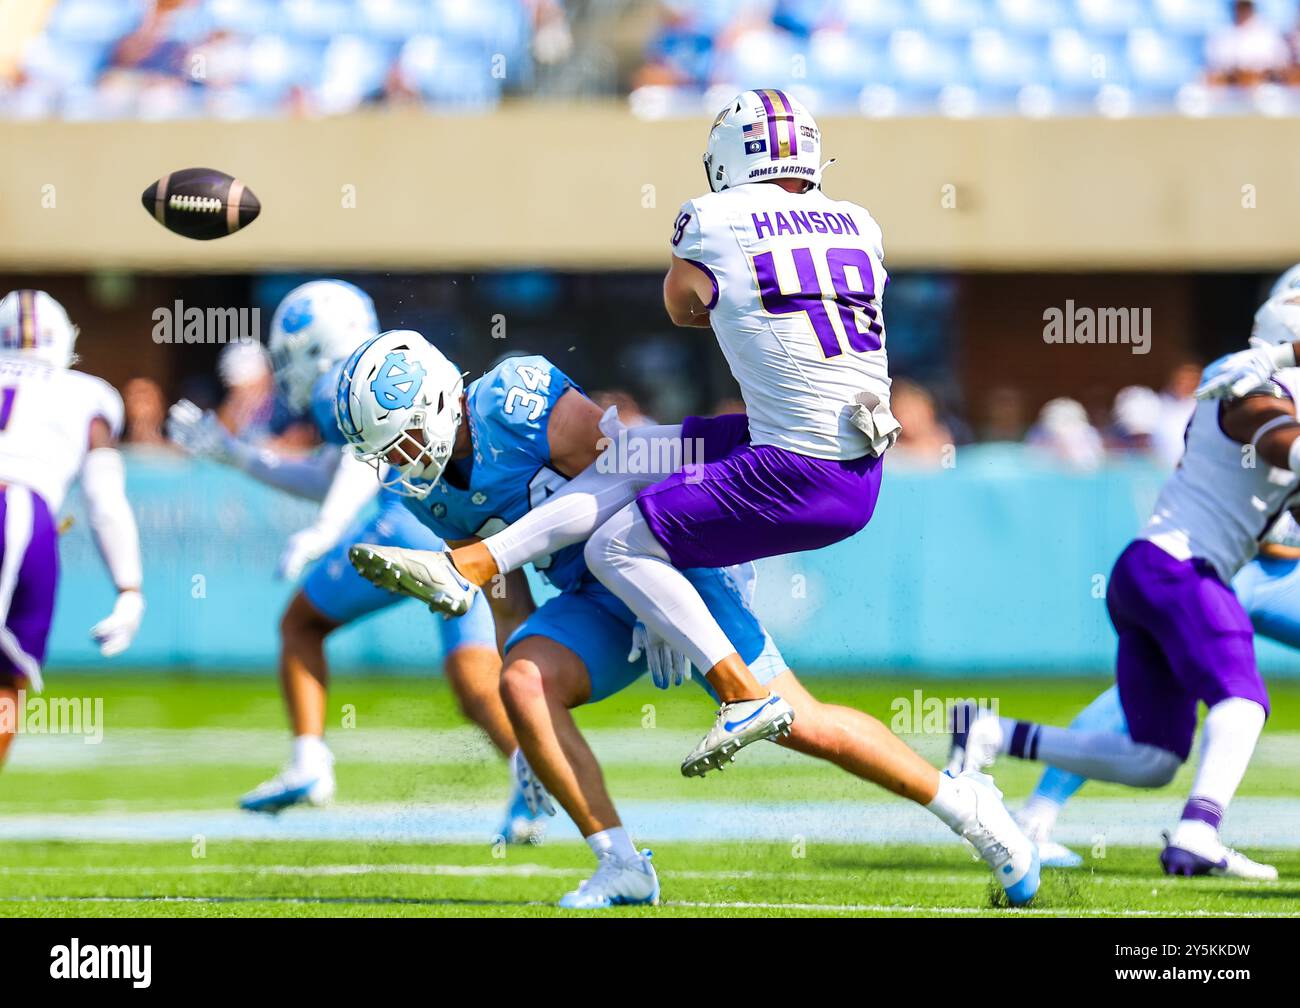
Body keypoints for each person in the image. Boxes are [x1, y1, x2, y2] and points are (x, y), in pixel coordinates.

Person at [337, 330, 1040, 908]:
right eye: (384, 451)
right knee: (521, 681)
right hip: (592, 597)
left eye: (399, 439)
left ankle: (965, 806)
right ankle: (621, 865)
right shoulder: (429, 494)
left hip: (668, 552)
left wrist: (662, 584)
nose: (397, 461)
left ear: (433, 400)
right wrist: (526, 732)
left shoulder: (512, 403)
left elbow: (636, 464)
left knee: (799, 722)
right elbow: (508, 593)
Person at [347, 90, 901, 778]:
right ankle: (473, 566)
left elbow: (681, 304)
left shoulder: (712, 219)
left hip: (792, 465)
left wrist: (662, 592)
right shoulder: (860, 223)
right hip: (848, 458)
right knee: (635, 452)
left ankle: (738, 694)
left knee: (616, 544)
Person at [165, 281, 542, 842]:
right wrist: (238, 455)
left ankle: (310, 762)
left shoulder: (334, 382)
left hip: (404, 524)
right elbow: (334, 471)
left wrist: (323, 530)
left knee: (301, 624)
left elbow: (356, 463)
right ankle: (533, 778)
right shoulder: (386, 361)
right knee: (474, 679)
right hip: (460, 530)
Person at [951, 294, 1300, 881]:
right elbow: (1275, 440)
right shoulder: (1249, 392)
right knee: (1241, 702)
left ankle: (991, 732)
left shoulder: (1253, 383)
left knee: (1151, 760)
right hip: (1180, 568)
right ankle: (1197, 833)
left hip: (1152, 572)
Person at [0, 290, 145, 766]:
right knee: (7, 680)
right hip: (20, 508)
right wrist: (129, 587)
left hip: (21, 510)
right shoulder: (86, 393)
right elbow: (104, 497)